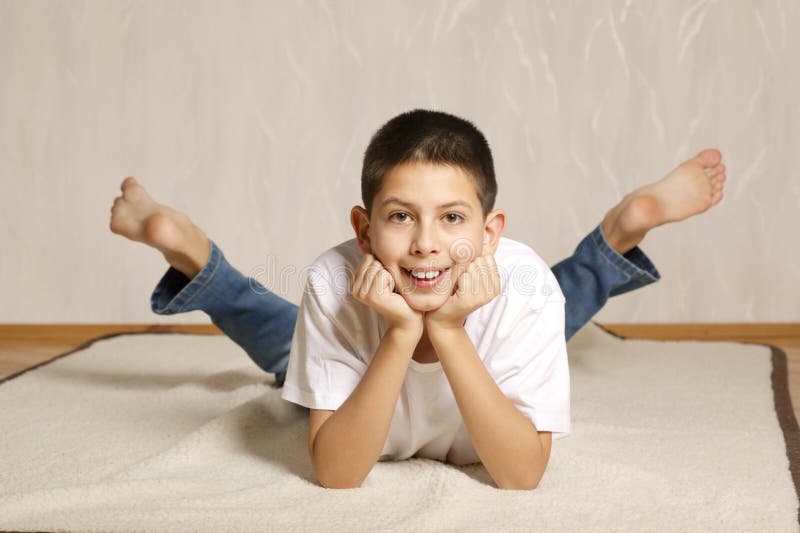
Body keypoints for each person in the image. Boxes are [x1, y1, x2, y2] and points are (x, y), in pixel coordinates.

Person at [109, 109, 726, 490]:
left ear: (489, 233)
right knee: (285, 344)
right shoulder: (336, 279)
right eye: (401, 216)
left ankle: (620, 230)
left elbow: (521, 477)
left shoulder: (521, 281)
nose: (426, 243)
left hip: (507, 295)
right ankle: (193, 255)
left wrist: (450, 332)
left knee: (551, 300)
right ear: (363, 230)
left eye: (452, 217)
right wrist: (402, 334)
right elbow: (338, 475)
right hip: (369, 314)